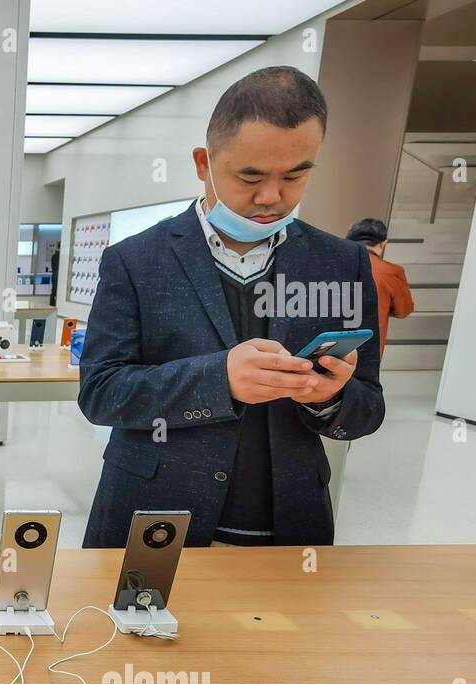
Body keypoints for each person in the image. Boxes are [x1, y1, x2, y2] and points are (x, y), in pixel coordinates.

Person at [78, 66, 384, 549]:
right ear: (203, 163)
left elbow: (367, 408)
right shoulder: (136, 260)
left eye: (296, 175)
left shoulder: (341, 262)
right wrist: (218, 380)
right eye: (250, 176)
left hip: (288, 524)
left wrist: (326, 398)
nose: (271, 198)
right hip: (155, 514)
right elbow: (100, 393)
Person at [346, 217, 413, 355]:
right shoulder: (392, 272)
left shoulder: (330, 264)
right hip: (369, 349)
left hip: (327, 346)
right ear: (383, 244)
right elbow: (403, 310)